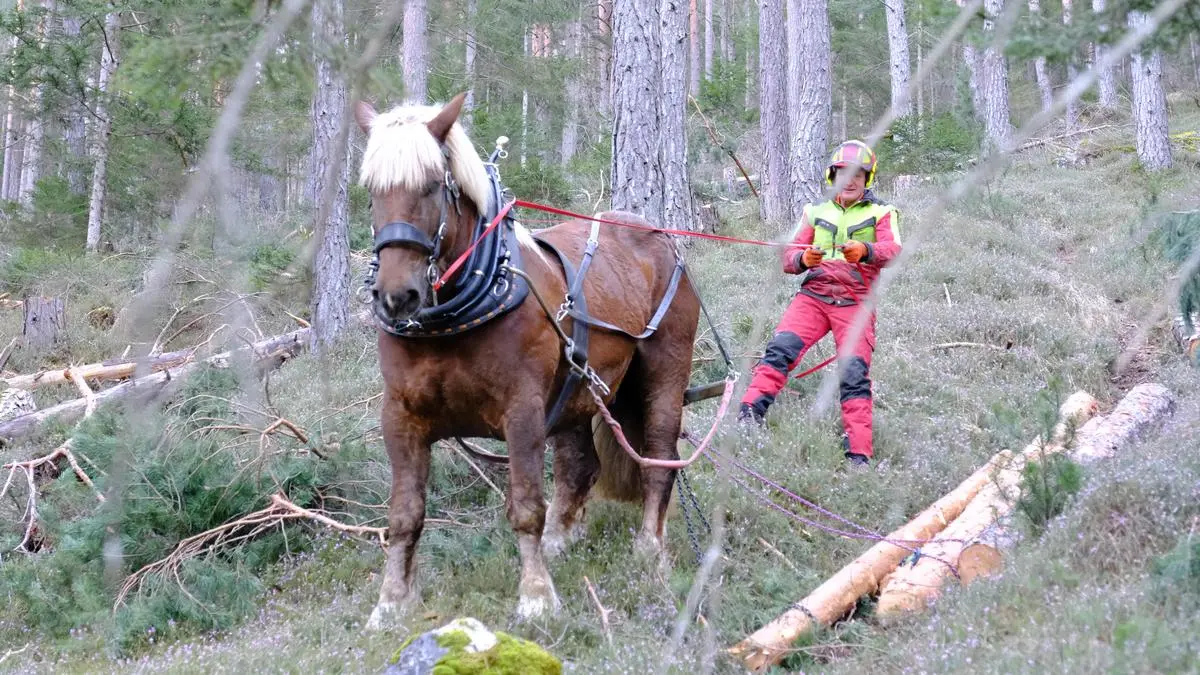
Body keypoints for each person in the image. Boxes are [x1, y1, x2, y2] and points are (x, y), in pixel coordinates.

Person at [737, 140, 902, 469]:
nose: (850, 180)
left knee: (853, 374)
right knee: (778, 352)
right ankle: (745, 425)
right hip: (813, 297)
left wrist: (866, 251)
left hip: (855, 303)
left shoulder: (882, 213)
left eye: (859, 174)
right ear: (833, 175)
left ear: (868, 179)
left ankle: (859, 456)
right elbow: (787, 258)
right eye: (844, 173)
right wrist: (803, 258)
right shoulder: (814, 212)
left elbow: (894, 249)